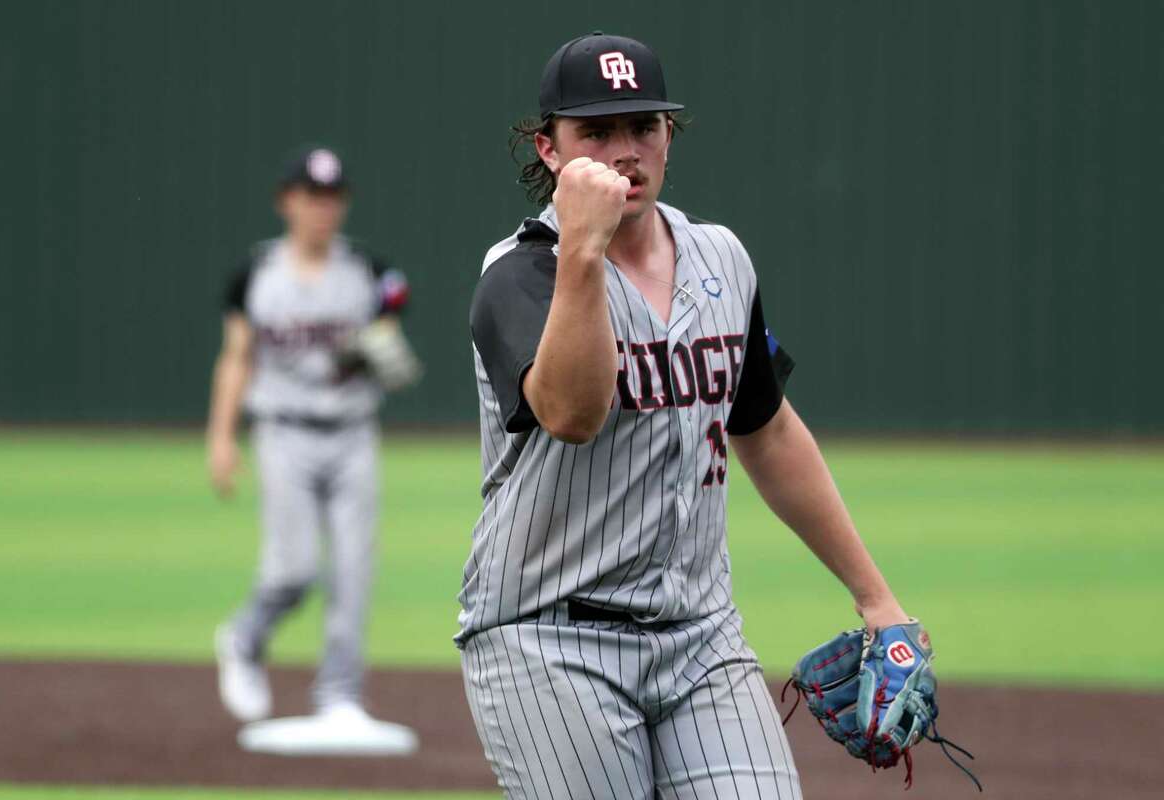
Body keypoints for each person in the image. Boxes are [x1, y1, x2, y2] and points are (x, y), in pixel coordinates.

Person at [459, 33, 917, 797]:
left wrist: (876, 596)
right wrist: (583, 249)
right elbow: (573, 413)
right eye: (595, 132)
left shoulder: (722, 260)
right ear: (548, 149)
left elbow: (767, 430)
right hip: (548, 640)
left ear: (671, 133)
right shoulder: (518, 275)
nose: (624, 152)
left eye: (644, 125)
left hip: (702, 637)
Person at [207, 145, 419, 755]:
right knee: (293, 570)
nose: (322, 209)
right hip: (283, 431)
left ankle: (340, 696)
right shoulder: (256, 275)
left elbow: (389, 339)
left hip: (353, 432)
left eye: (331, 198)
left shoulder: (369, 273)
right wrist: (222, 438)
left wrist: (378, 349)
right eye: (311, 196)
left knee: (354, 570)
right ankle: (245, 639)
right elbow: (236, 359)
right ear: (287, 202)